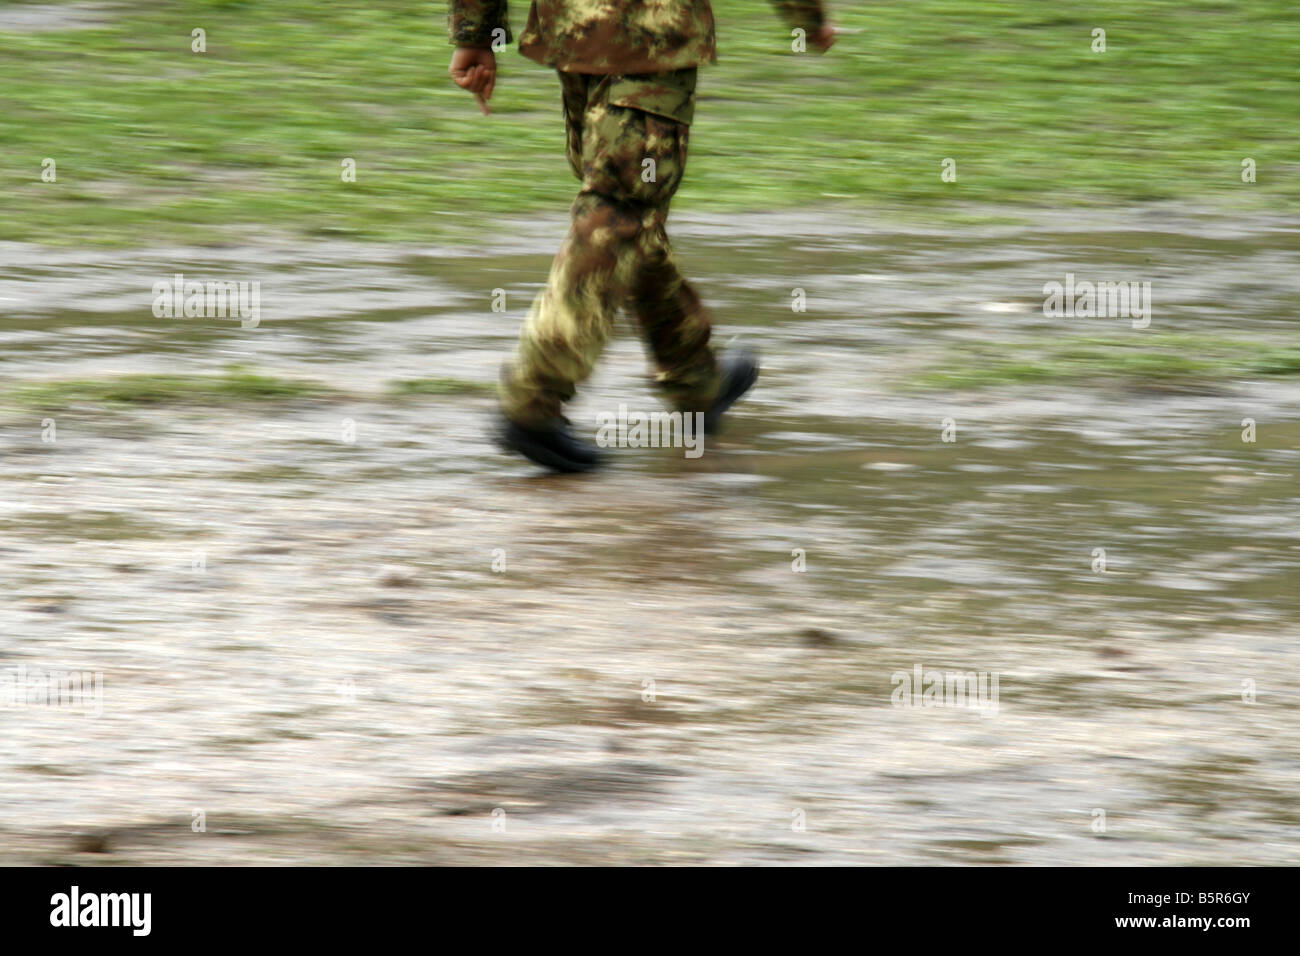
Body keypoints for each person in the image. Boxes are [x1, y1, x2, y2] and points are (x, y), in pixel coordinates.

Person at [449, 1, 834, 472]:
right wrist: (809, 19)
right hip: (651, 31)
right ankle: (533, 400)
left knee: (630, 209)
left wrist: (476, 31)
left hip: (575, 28)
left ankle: (695, 378)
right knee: (621, 211)